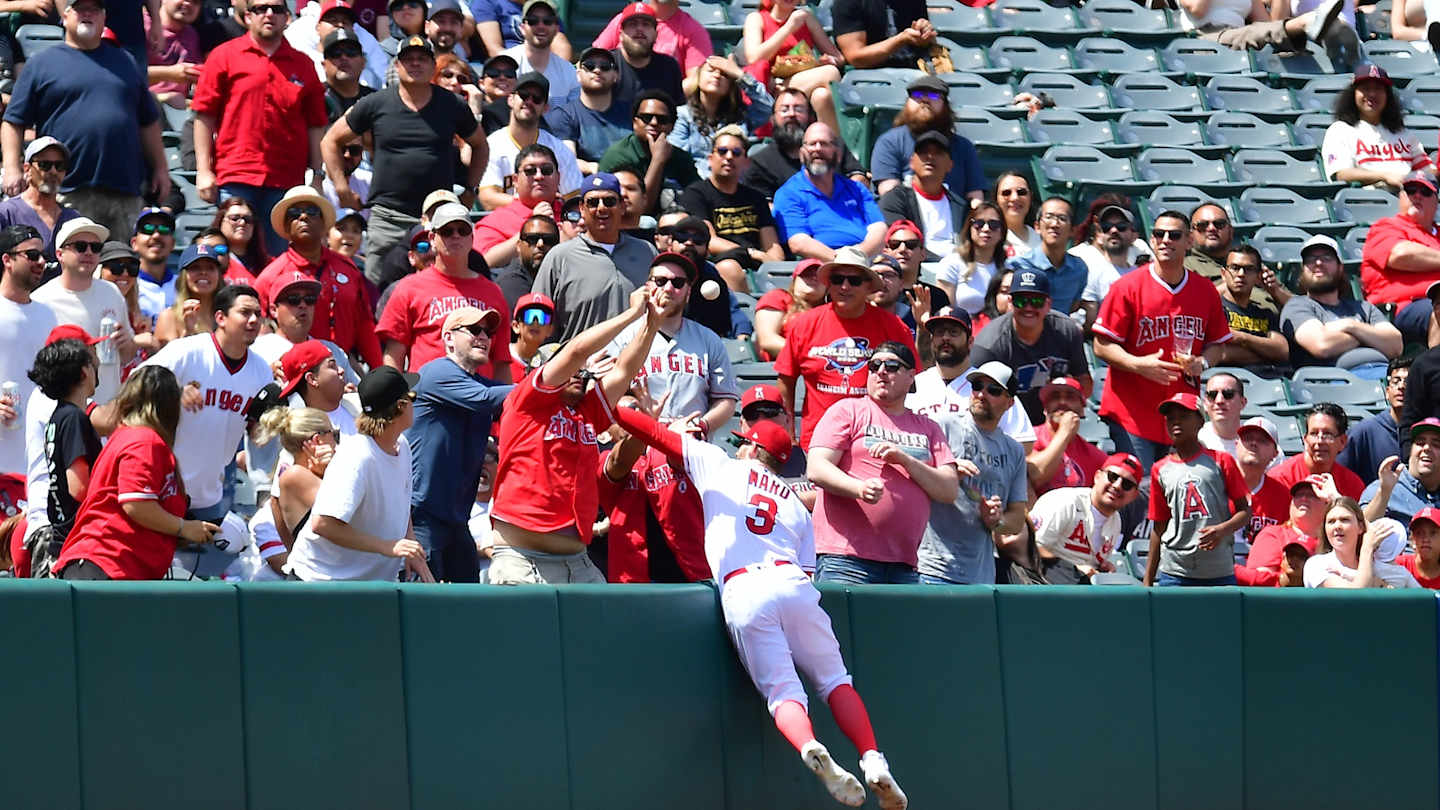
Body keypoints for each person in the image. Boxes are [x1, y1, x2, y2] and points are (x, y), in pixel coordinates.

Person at [604, 395, 909, 810]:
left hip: (744, 586)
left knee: (784, 692)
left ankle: (808, 745)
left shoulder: (720, 464)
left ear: (753, 448)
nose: (738, 446)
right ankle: (872, 758)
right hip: (793, 582)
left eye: (743, 442)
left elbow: (651, 432)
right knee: (836, 681)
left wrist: (609, 403)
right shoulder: (795, 505)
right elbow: (807, 572)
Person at [487, 284, 663, 585]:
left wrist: (652, 324)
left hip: (577, 561)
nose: (579, 373)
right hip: (522, 559)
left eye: (583, 371)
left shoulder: (586, 413)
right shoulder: (526, 401)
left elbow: (624, 371)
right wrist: (632, 314)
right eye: (572, 369)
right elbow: (577, 351)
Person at [323, 34, 487, 284]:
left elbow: (480, 145)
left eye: (422, 59)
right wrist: (342, 188)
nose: (415, 63)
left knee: (441, 286)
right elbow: (330, 141)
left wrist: (471, 189)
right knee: (378, 291)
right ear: (397, 65)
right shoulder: (375, 103)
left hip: (437, 219)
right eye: (408, 59)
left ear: (433, 66)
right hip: (388, 218)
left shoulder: (452, 105)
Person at [133, 284, 273, 576]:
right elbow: (136, 381)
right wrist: (172, 391)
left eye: (257, 314)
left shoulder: (261, 370)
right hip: (164, 487)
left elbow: (257, 428)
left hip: (211, 491)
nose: (253, 320)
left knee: (200, 581)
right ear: (221, 317)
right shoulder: (189, 350)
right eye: (245, 312)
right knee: (153, 575)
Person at [1, 0, 169, 241]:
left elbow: (148, 123)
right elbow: (13, 122)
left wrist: (161, 168)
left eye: (94, 9)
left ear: (104, 17)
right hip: (65, 190)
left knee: (119, 262)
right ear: (65, 16)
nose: (87, 14)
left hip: (124, 191)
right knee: (68, 259)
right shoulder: (41, 63)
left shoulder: (126, 62)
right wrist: (11, 167)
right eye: (80, 9)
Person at [805, 341, 958, 586]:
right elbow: (816, 468)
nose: (881, 371)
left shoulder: (928, 428)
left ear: (911, 376)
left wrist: (906, 461)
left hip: (904, 565)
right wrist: (859, 489)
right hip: (846, 559)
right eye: (874, 365)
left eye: (892, 366)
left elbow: (949, 490)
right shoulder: (847, 410)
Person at [1093, 210, 1232, 469]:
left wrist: (1202, 363)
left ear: (1189, 241)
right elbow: (1102, 345)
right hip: (1132, 413)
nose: (1166, 240)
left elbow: (1217, 345)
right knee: (1140, 485)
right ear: (1152, 240)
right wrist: (1137, 364)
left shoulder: (1205, 290)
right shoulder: (1127, 287)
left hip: (1182, 414)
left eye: (1174, 235)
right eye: (1159, 234)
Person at [52, 366, 221, 580]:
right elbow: (136, 505)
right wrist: (183, 527)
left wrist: (187, 530)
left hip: (108, 567)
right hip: (106, 564)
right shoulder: (143, 440)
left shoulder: (130, 437)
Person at [190, 0, 327, 258]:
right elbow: (204, 116)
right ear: (247, 16)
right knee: (231, 259)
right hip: (235, 175)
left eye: (277, 9)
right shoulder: (223, 56)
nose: (269, 14)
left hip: (286, 181)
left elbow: (316, 125)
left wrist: (318, 177)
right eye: (261, 8)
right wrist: (204, 170)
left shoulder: (304, 64)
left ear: (287, 17)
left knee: (279, 259)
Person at [286, 366, 435, 581]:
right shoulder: (357, 457)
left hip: (366, 585)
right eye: (412, 397)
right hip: (319, 584)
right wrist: (388, 546)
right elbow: (323, 524)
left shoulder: (402, 446)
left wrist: (410, 547)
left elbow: (401, 505)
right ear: (400, 407)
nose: (415, 403)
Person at [404, 306, 514, 582]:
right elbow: (488, 399)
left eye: (488, 332)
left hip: (456, 518)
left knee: (468, 601)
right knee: (421, 600)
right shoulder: (437, 372)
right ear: (449, 338)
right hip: (423, 516)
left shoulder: (477, 382)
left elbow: (511, 402)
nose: (483, 337)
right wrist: (545, 381)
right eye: (474, 330)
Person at [775, 247, 917, 450]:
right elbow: (785, 381)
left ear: (868, 286)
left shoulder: (894, 327)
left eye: (854, 280)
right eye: (837, 279)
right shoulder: (804, 324)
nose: (844, 286)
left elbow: (913, 382)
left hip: (878, 443)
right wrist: (789, 435)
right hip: (818, 443)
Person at [603, 251, 739, 435]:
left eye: (678, 283)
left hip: (690, 443)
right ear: (648, 286)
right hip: (639, 441)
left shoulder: (709, 340)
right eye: (660, 281)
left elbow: (726, 400)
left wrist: (702, 426)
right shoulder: (623, 336)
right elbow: (604, 393)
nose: (668, 288)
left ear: (688, 292)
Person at [915, 360, 1026, 586]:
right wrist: (947, 470)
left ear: (1010, 403)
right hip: (931, 567)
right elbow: (912, 473)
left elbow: (1016, 519)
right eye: (976, 386)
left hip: (980, 576)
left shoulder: (1014, 451)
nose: (981, 394)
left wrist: (997, 521)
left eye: (993, 390)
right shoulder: (941, 425)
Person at [377, 202, 512, 378]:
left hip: (479, 393)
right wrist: (396, 393)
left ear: (472, 238)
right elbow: (393, 356)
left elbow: (501, 361)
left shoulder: (493, 292)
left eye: (462, 230)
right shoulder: (408, 288)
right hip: (426, 393)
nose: (456, 236)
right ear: (432, 238)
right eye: (447, 231)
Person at [253, 187, 382, 369]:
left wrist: (379, 369)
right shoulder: (270, 276)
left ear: (323, 223)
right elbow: (258, 334)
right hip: (295, 369)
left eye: (312, 211)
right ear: (286, 226)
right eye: (294, 213)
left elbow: (364, 325)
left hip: (343, 365)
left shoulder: (348, 269)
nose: (303, 217)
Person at [532, 173, 657, 343]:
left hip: (639, 357)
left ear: (622, 206)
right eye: (593, 202)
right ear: (582, 209)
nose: (601, 208)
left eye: (609, 201)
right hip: (579, 358)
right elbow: (538, 314)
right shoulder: (559, 257)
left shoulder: (646, 251)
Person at [1143, 393, 1251, 587]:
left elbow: (1245, 511)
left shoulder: (1221, 461)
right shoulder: (1160, 469)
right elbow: (1159, 526)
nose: (1176, 422)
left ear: (1200, 422)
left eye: (1184, 416)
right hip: (1175, 571)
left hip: (1219, 569)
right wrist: (1148, 580)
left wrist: (1222, 530)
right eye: (1171, 418)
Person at [21, 336, 102, 576]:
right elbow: (78, 487)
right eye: (92, 363)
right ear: (84, 372)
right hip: (72, 542)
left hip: (58, 535)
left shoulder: (58, 416)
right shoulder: (74, 418)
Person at [34, 217, 138, 404]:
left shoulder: (112, 292)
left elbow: (127, 357)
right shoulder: (41, 300)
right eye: (80, 246)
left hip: (108, 405)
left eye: (96, 247)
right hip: (63, 409)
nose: (89, 252)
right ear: (59, 254)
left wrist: (126, 344)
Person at [969, 268, 1091, 425]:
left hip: (1053, 422)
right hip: (1005, 423)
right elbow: (974, 396)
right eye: (1021, 301)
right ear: (1010, 303)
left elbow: (1084, 382)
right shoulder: (989, 343)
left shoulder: (1067, 331)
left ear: (1048, 304)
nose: (1028, 308)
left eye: (1036, 301)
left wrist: (1064, 402)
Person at [907, 307, 1035, 448]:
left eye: (953, 332)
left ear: (970, 342)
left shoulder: (991, 386)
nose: (945, 338)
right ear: (932, 341)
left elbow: (1024, 443)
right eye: (939, 332)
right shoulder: (913, 384)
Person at [677, 127, 784, 293]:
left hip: (757, 267)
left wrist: (774, 263)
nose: (729, 157)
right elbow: (710, 241)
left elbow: (772, 246)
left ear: (746, 162)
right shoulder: (696, 194)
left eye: (736, 152)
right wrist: (752, 253)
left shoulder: (756, 197)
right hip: (719, 265)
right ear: (710, 159)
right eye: (722, 151)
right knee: (730, 268)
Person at [1281, 234, 1401, 377]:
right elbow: (1323, 346)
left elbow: (1396, 345)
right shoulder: (1297, 306)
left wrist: (1350, 325)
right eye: (1311, 259)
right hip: (1339, 381)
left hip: (1387, 374)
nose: (1318, 263)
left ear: (1340, 267)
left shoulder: (1363, 307)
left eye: (1327, 258)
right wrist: (1369, 337)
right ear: (1303, 269)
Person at [773, 123, 884, 261]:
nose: (818, 148)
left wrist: (858, 257)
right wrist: (843, 261)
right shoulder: (789, 193)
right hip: (818, 266)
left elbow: (878, 228)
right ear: (801, 154)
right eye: (812, 144)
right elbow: (799, 243)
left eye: (824, 144)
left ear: (838, 154)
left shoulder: (857, 189)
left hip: (865, 260)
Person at [250, 405, 338, 578]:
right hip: (315, 581)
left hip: (331, 576)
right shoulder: (295, 476)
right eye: (334, 435)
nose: (336, 442)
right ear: (318, 439)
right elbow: (348, 512)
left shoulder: (317, 474)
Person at [0, 225, 58, 475]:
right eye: (32, 255)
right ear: (7, 260)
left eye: (43, 255)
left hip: (36, 458)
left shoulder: (48, 314)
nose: (41, 262)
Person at [1032, 453, 1145, 583]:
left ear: (1134, 495)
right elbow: (1030, 547)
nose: (1117, 485)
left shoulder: (1116, 522)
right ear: (1097, 476)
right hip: (1042, 582)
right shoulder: (1064, 502)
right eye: (1112, 477)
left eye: (1127, 484)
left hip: (1079, 587)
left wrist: (1103, 567)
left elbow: (1090, 564)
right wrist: (1073, 569)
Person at [741, 87, 868, 202]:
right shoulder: (760, 163)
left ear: (811, 117)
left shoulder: (833, 146)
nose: (791, 114)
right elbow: (766, 209)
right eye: (784, 110)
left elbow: (859, 178)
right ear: (772, 120)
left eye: (799, 109)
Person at [870, 77, 984, 204]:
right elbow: (889, 194)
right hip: (904, 214)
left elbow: (975, 197)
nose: (925, 100)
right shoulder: (890, 142)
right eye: (917, 95)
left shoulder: (963, 147)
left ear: (945, 104)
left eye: (933, 95)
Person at [477, 74, 581, 210]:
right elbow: (488, 199)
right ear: (511, 99)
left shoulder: (559, 149)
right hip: (508, 220)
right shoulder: (492, 145)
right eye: (524, 95)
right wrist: (534, 205)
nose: (529, 101)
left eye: (537, 99)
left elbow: (574, 199)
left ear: (545, 108)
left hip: (549, 219)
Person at [1360, 172, 1440, 346]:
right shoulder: (1386, 227)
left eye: (1425, 192)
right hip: (1400, 309)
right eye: (1411, 190)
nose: (1417, 196)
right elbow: (1401, 255)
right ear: (1401, 197)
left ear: (1436, 202)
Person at [739, 0, 844, 132]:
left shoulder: (806, 17)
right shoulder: (756, 18)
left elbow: (839, 58)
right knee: (830, 73)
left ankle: (828, 141)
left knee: (821, 95)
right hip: (770, 88)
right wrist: (789, 27)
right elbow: (753, 58)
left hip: (803, 82)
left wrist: (829, 60)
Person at [1323, 64, 1431, 188]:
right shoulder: (1340, 130)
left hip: (1408, 195)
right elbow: (1341, 174)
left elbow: (1428, 172)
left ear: (1387, 95)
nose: (1372, 94)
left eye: (1378, 88)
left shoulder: (1403, 133)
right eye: (1365, 88)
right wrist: (1384, 176)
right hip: (1365, 197)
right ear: (1353, 94)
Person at [654, 212, 755, 341]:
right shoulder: (658, 271)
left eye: (698, 240)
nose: (689, 243)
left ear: (707, 251)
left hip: (706, 342)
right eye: (682, 237)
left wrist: (742, 335)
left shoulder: (711, 274)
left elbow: (733, 312)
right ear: (670, 245)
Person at [669, 55, 773, 179]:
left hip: (735, 183)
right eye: (711, 71)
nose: (717, 76)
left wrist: (740, 75)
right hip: (694, 183)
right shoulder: (682, 115)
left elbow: (768, 108)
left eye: (724, 74)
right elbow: (678, 158)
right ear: (698, 77)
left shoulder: (741, 116)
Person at [598, 90, 700, 215]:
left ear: (672, 126)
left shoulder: (681, 157)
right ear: (635, 122)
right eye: (646, 118)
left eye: (662, 119)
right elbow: (640, 209)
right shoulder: (618, 155)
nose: (654, 123)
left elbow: (698, 196)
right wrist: (658, 161)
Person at [878, 130, 971, 261]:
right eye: (923, 152)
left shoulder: (960, 206)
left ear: (950, 165)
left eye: (938, 152)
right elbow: (902, 246)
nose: (930, 156)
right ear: (912, 162)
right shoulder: (894, 201)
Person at [1185, 203, 1289, 314]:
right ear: (1191, 235)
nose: (1211, 228)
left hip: (1271, 320)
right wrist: (1233, 284)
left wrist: (1275, 290)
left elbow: (1296, 307)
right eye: (1202, 225)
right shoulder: (1185, 267)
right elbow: (1189, 308)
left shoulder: (1251, 262)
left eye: (1219, 224)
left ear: (1231, 232)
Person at [544, 47, 630, 176]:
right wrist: (593, 167)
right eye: (589, 66)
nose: (597, 70)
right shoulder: (563, 115)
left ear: (615, 76)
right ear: (578, 74)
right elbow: (567, 160)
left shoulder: (631, 113)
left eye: (605, 66)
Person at [1179, 0, 1359, 62]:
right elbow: (1196, 8)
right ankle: (1308, 21)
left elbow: (1267, 24)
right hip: (1206, 35)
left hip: (1238, 36)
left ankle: (1330, 35)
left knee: (1262, 34)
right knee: (1249, 34)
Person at [595, 0, 711, 91]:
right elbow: (594, 62)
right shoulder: (623, 20)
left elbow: (695, 80)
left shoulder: (693, 30)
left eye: (646, 25)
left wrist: (659, 99)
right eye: (634, 25)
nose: (639, 28)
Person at [0, 137, 83, 263]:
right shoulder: (6, 213)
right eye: (45, 165)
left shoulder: (73, 219)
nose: (53, 171)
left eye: (60, 166)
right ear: (27, 169)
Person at [1002, 196, 1087, 318]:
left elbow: (1074, 306)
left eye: (1062, 218)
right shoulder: (1018, 266)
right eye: (1048, 217)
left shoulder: (1079, 269)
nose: (1054, 224)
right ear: (1037, 227)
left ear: (1072, 230)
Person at [1304, 496, 1416, 588]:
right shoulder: (1317, 565)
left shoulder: (1378, 567)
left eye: (1345, 520)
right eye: (1331, 522)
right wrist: (1367, 547)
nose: (1337, 526)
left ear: (1360, 527)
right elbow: (1358, 596)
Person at [1236, 474, 1328, 586]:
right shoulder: (1274, 534)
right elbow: (1260, 583)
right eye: (1298, 495)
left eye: (1312, 495)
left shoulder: (1334, 540)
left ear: (1327, 505)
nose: (1304, 498)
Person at [1212, 244, 1289, 376]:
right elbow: (1222, 354)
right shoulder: (1214, 310)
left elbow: (1282, 350)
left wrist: (1242, 338)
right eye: (1235, 268)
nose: (1241, 274)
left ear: (1258, 276)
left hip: (1270, 380)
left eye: (1249, 269)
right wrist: (1266, 352)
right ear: (1224, 274)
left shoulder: (1265, 313)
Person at [1072, 200, 1150, 331]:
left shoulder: (1143, 277)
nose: (1113, 230)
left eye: (1121, 227)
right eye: (1106, 227)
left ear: (1134, 235)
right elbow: (1091, 324)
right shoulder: (1091, 275)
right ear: (1099, 235)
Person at [1027, 376, 1106, 496]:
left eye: (1070, 397)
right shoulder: (1028, 439)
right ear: (1045, 408)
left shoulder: (1095, 457)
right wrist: (1064, 432)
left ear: (1082, 409)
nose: (1062, 402)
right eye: (1054, 397)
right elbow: (1035, 476)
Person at [1272, 403, 1366, 498]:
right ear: (1305, 440)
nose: (1320, 441)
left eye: (1327, 434)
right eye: (1314, 433)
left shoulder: (1353, 484)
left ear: (1342, 442)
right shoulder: (1280, 480)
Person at [1339, 357, 1408, 487]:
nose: (1401, 386)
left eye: (1408, 382)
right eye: (1395, 381)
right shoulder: (1364, 432)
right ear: (1387, 392)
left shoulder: (1427, 433)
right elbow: (1340, 476)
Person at [1361, 417, 1440, 525]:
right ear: (1410, 450)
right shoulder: (1384, 488)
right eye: (1420, 442)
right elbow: (1361, 529)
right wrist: (1384, 494)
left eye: (1436, 444)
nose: (1426, 448)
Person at [605, 1, 684, 108]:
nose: (639, 29)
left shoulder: (669, 67)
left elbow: (677, 110)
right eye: (632, 24)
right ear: (621, 34)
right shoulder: (606, 64)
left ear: (656, 34)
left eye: (646, 24)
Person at [500, 0, 578, 107]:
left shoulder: (569, 72)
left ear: (557, 29)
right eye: (533, 21)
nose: (541, 26)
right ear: (522, 28)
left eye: (547, 21)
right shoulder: (504, 63)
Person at [935, 202, 1004, 316]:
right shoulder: (951, 263)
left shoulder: (1007, 268)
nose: (986, 229)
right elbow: (944, 311)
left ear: (1002, 231)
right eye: (979, 223)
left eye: (994, 224)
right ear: (969, 228)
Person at [753, 257, 825, 363]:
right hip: (781, 365)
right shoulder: (778, 298)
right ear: (795, 280)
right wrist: (812, 354)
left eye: (820, 276)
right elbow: (768, 340)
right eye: (807, 274)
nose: (814, 278)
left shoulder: (833, 309)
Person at [1232, 416, 1291, 543]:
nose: (1253, 443)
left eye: (1262, 440)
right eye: (1247, 438)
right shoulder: (1216, 484)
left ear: (1275, 454)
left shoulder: (1283, 497)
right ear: (1236, 445)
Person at [154, 242, 226, 345]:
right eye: (195, 268)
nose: (203, 272)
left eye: (210, 268)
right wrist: (188, 332)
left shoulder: (228, 315)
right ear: (184, 276)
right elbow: (169, 355)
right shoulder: (169, 317)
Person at [832, 0, 932, 69]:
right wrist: (901, 39)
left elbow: (923, 44)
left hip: (916, 68)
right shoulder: (848, 2)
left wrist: (923, 33)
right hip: (870, 76)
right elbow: (856, 58)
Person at [492, 215, 558, 310]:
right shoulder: (510, 283)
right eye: (532, 239)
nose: (540, 244)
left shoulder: (561, 275)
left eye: (549, 240)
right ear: (519, 246)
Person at [473, 0, 575, 57]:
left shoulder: (544, 7)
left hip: (544, 64)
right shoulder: (487, 3)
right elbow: (494, 49)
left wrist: (558, 72)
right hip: (510, 67)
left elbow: (561, 46)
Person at [321, 29, 374, 124]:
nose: (344, 57)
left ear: (363, 62)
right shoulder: (314, 98)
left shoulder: (375, 99)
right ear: (324, 65)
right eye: (335, 53)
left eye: (351, 52)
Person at [212, 197, 268, 281]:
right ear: (220, 222)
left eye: (248, 219)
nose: (242, 223)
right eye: (234, 218)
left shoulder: (269, 264)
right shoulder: (210, 259)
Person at [506, 291, 555, 378]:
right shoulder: (501, 359)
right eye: (529, 316)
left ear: (550, 330)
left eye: (542, 317)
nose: (535, 322)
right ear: (516, 326)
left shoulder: (548, 368)